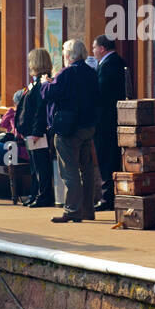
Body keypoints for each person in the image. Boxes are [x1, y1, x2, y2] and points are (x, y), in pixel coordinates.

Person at [42, 39, 99, 223]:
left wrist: (45, 83)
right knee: (87, 170)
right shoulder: (91, 72)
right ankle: (88, 210)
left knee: (70, 171)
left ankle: (72, 210)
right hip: (88, 127)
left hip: (68, 130)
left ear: (68, 55)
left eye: (64, 53)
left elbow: (49, 94)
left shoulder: (66, 73)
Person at [92, 34, 127, 211]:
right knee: (108, 158)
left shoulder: (109, 64)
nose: (93, 51)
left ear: (102, 48)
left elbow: (101, 92)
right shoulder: (113, 62)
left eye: (94, 48)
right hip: (109, 119)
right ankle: (110, 195)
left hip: (106, 120)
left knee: (107, 158)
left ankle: (108, 198)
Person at [16, 48, 55, 208]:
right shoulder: (35, 83)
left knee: (41, 165)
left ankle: (44, 196)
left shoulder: (42, 83)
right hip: (29, 131)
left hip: (37, 132)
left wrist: (37, 132)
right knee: (34, 166)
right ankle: (35, 193)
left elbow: (40, 109)